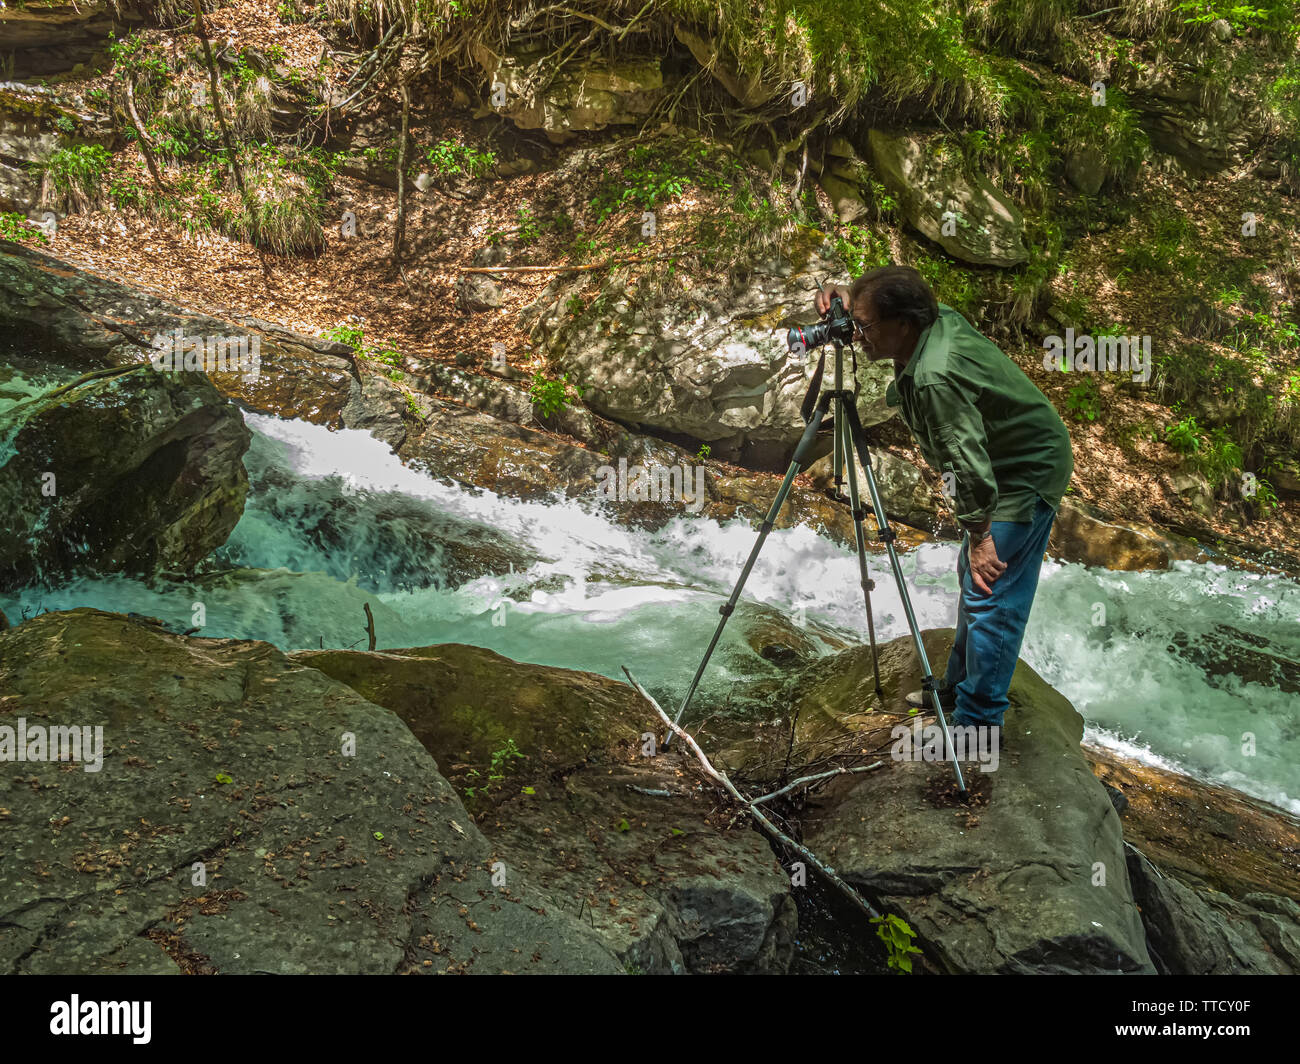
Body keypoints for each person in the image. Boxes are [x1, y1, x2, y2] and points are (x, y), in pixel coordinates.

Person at [814, 265, 1074, 740]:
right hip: (1004, 457)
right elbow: (886, 293)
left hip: (1023, 470)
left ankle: (977, 725)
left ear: (903, 325)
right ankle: (956, 691)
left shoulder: (936, 377)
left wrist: (980, 534)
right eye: (856, 321)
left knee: (990, 589)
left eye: (865, 326)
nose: (857, 335)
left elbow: (965, 463)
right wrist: (839, 294)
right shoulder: (928, 316)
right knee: (971, 580)